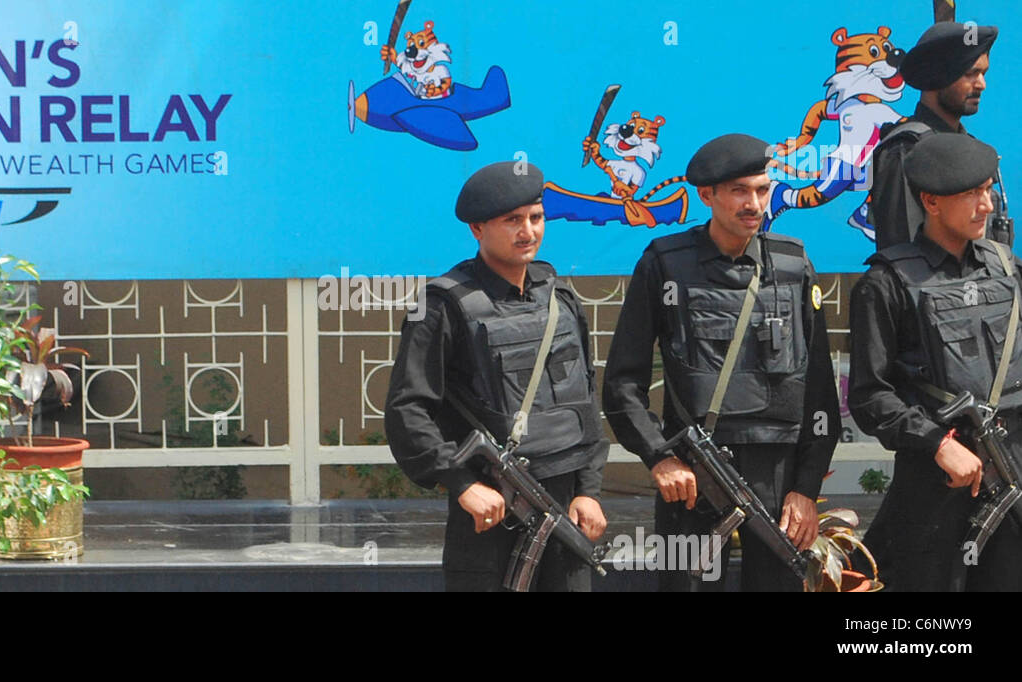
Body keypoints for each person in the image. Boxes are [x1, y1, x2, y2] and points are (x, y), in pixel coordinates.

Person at [602, 134, 840, 591]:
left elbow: (819, 390)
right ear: (707, 195)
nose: (754, 203)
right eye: (739, 191)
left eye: (762, 190)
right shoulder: (666, 266)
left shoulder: (793, 266)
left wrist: (806, 487)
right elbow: (622, 383)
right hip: (694, 475)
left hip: (778, 474)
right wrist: (659, 457)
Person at [384, 160, 610, 591]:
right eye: (512, 221)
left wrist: (589, 489)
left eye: (536, 217)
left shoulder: (559, 297)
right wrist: (461, 482)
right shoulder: (442, 303)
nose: (528, 231)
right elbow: (408, 408)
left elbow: (585, 399)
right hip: (491, 509)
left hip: (566, 506)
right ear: (477, 229)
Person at [849, 133, 1022, 591]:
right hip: (937, 483)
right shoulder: (887, 283)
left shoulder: (1007, 268)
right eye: (971, 194)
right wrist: (936, 443)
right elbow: (869, 396)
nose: (987, 206)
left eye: (988, 190)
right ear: (931, 201)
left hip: (1013, 471)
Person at [870, 21, 1008, 250]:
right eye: (970, 73)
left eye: (983, 73)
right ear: (937, 76)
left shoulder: (971, 149)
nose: (981, 84)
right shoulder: (906, 150)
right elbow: (902, 260)